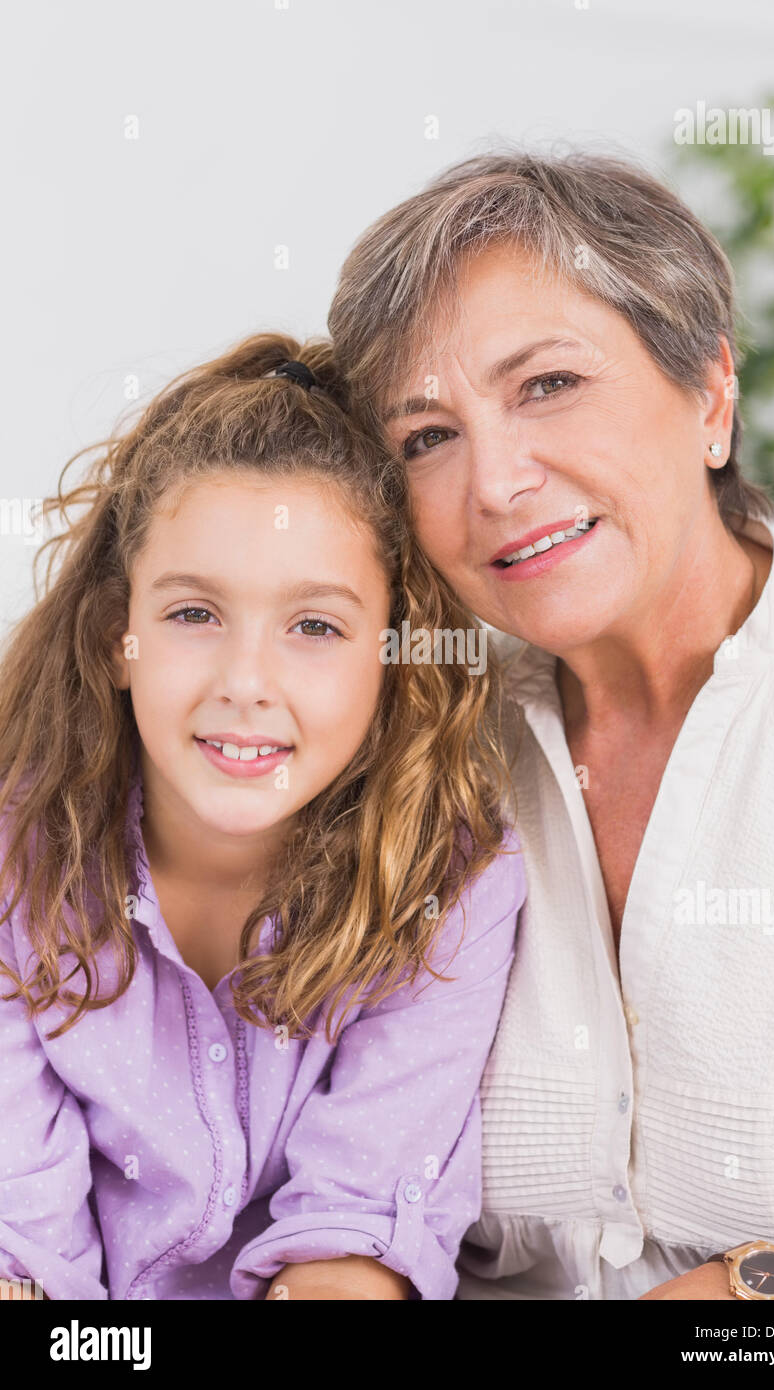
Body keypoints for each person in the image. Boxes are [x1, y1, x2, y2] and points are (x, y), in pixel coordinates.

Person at [327, 147, 774, 1300]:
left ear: (708, 393)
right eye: (426, 436)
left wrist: (754, 1293)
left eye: (546, 385)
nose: (495, 480)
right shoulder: (402, 745)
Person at [0, 333, 525, 1301]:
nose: (246, 684)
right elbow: (17, 1251)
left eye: (314, 627)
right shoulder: (17, 866)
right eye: (194, 614)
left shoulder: (447, 881)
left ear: (391, 652)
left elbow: (357, 1236)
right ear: (118, 633)